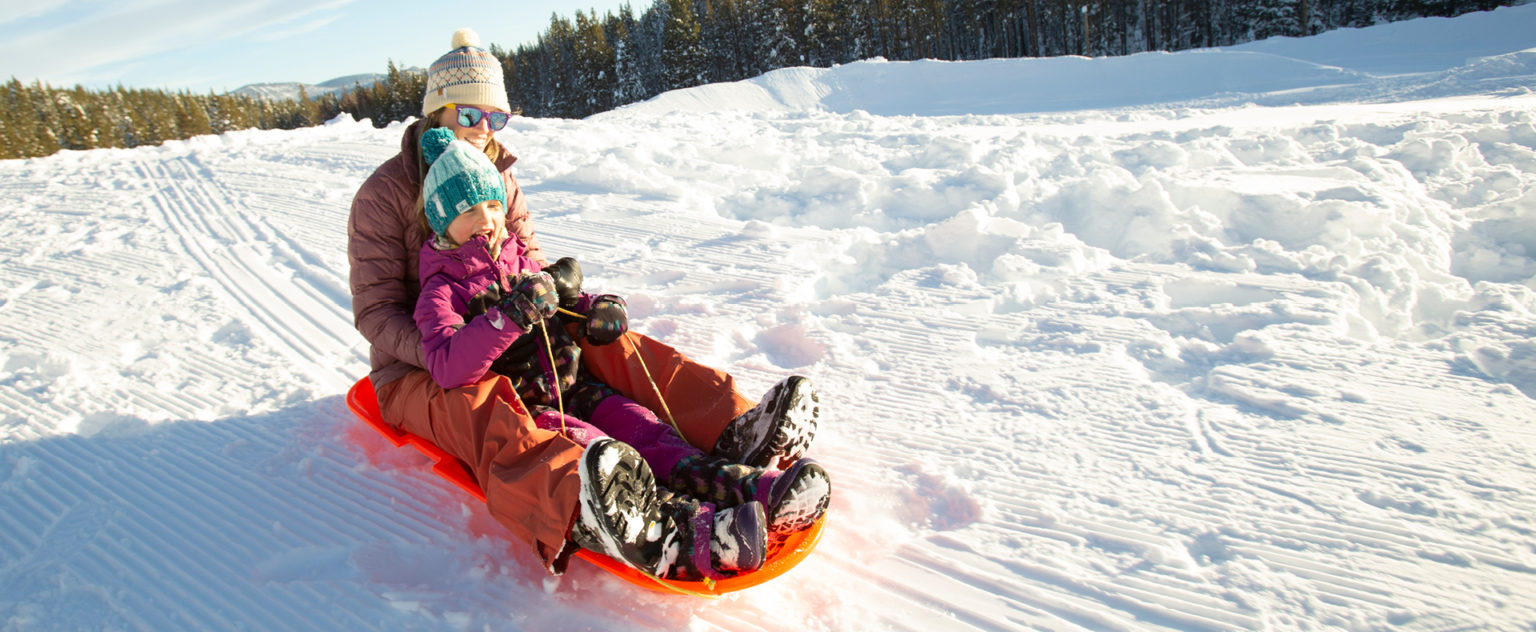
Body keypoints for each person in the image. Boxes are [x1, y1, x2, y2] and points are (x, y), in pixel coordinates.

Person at [347, 28, 824, 579]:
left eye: (495, 118)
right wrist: (452, 349)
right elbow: (376, 313)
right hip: (421, 367)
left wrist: (574, 306)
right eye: (467, 115)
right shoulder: (383, 195)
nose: (482, 130)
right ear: (436, 112)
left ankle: (730, 431)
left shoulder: (498, 174)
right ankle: (592, 508)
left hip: (514, 337)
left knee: (611, 345)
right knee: (482, 402)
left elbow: (529, 263)